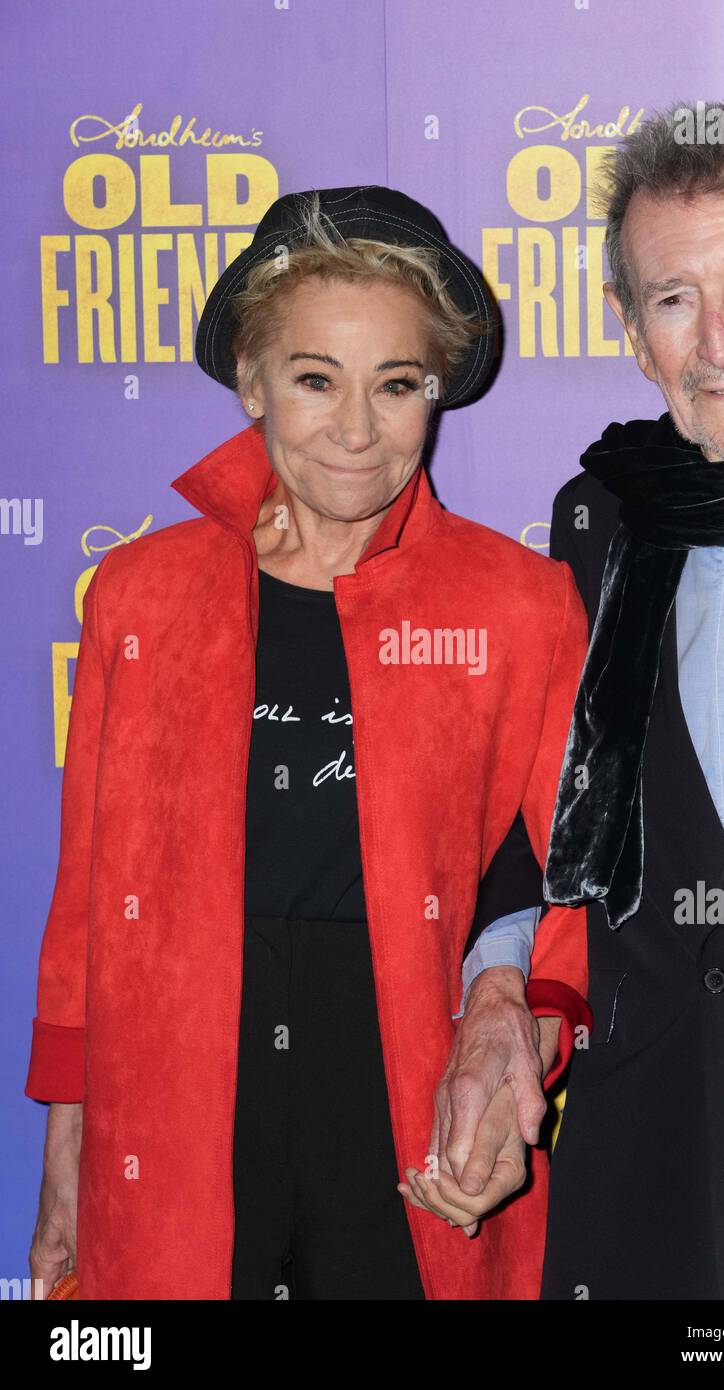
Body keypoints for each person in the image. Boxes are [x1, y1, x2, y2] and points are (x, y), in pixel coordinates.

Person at [25, 185, 591, 1301]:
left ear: (434, 393)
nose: (353, 428)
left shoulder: (521, 604)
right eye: (313, 379)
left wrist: (512, 1035)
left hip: (405, 1080)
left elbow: (565, 875)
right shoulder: (139, 596)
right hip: (178, 1095)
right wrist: (67, 1148)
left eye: (395, 385)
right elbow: (89, 904)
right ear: (251, 381)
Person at [427, 104, 724, 1301]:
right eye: (672, 299)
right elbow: (541, 809)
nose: (717, 338)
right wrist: (501, 991)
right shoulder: (597, 519)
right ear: (629, 331)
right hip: (640, 1196)